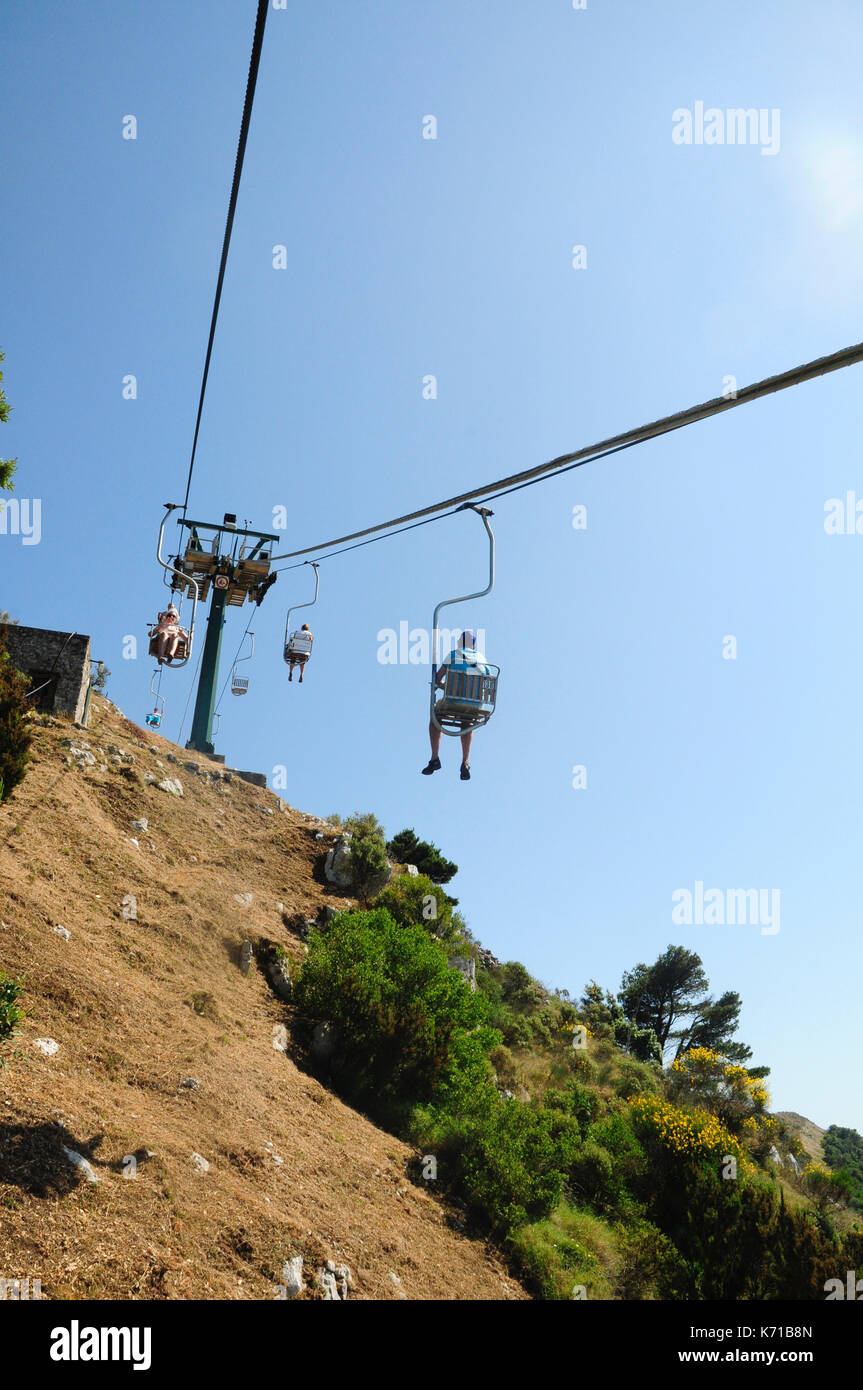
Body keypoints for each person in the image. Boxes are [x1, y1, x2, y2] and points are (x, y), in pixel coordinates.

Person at [422, 629, 490, 781]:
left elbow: (437, 678)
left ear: (460, 642)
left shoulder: (453, 655)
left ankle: (434, 758)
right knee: (467, 721)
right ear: (474, 645)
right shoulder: (483, 659)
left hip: (453, 702)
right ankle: (465, 761)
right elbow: (486, 683)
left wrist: (444, 686)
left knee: (435, 716)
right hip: (475, 705)